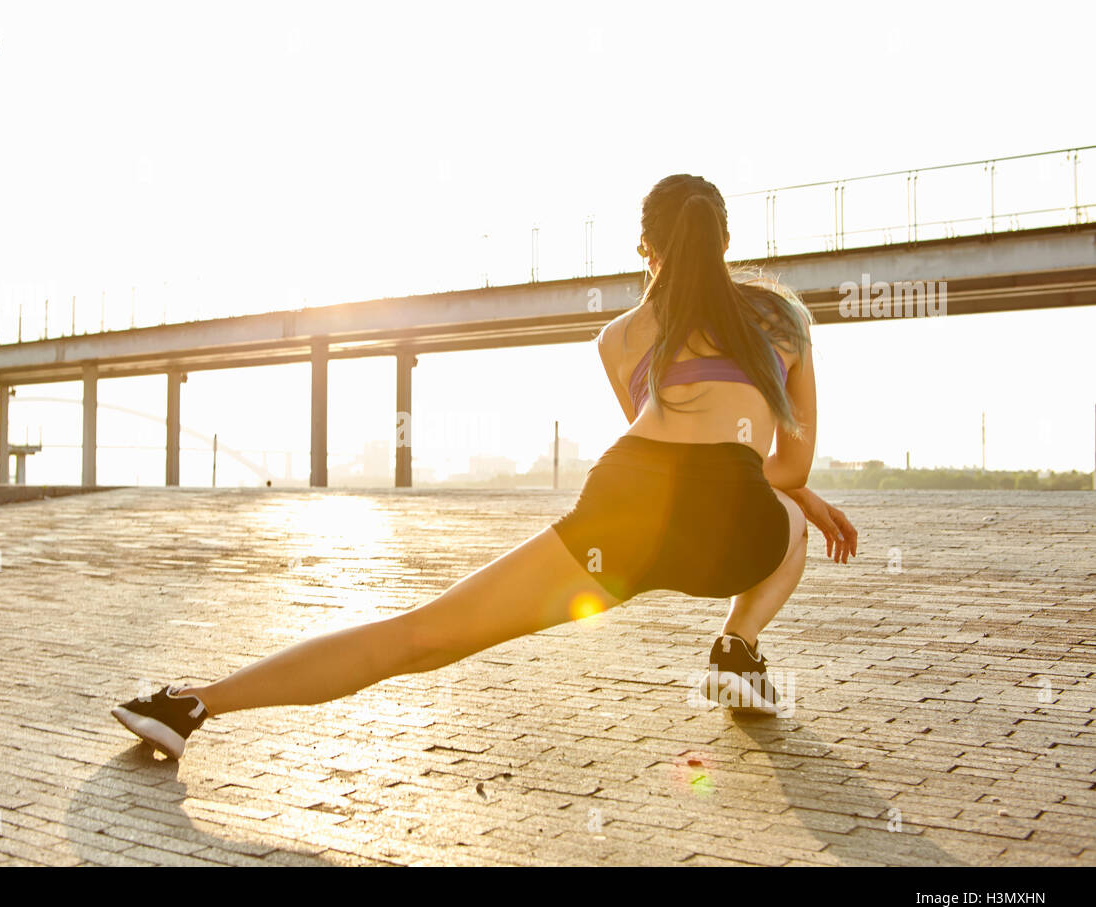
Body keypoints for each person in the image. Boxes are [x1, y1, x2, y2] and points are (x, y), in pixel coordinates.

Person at [112, 174, 858, 759]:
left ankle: (190, 705)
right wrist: (794, 499)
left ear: (645, 249)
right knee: (793, 518)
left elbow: (666, 451)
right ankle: (737, 645)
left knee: (420, 637)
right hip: (739, 532)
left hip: (626, 520)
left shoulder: (621, 337)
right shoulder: (782, 319)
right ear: (726, 241)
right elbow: (787, 463)